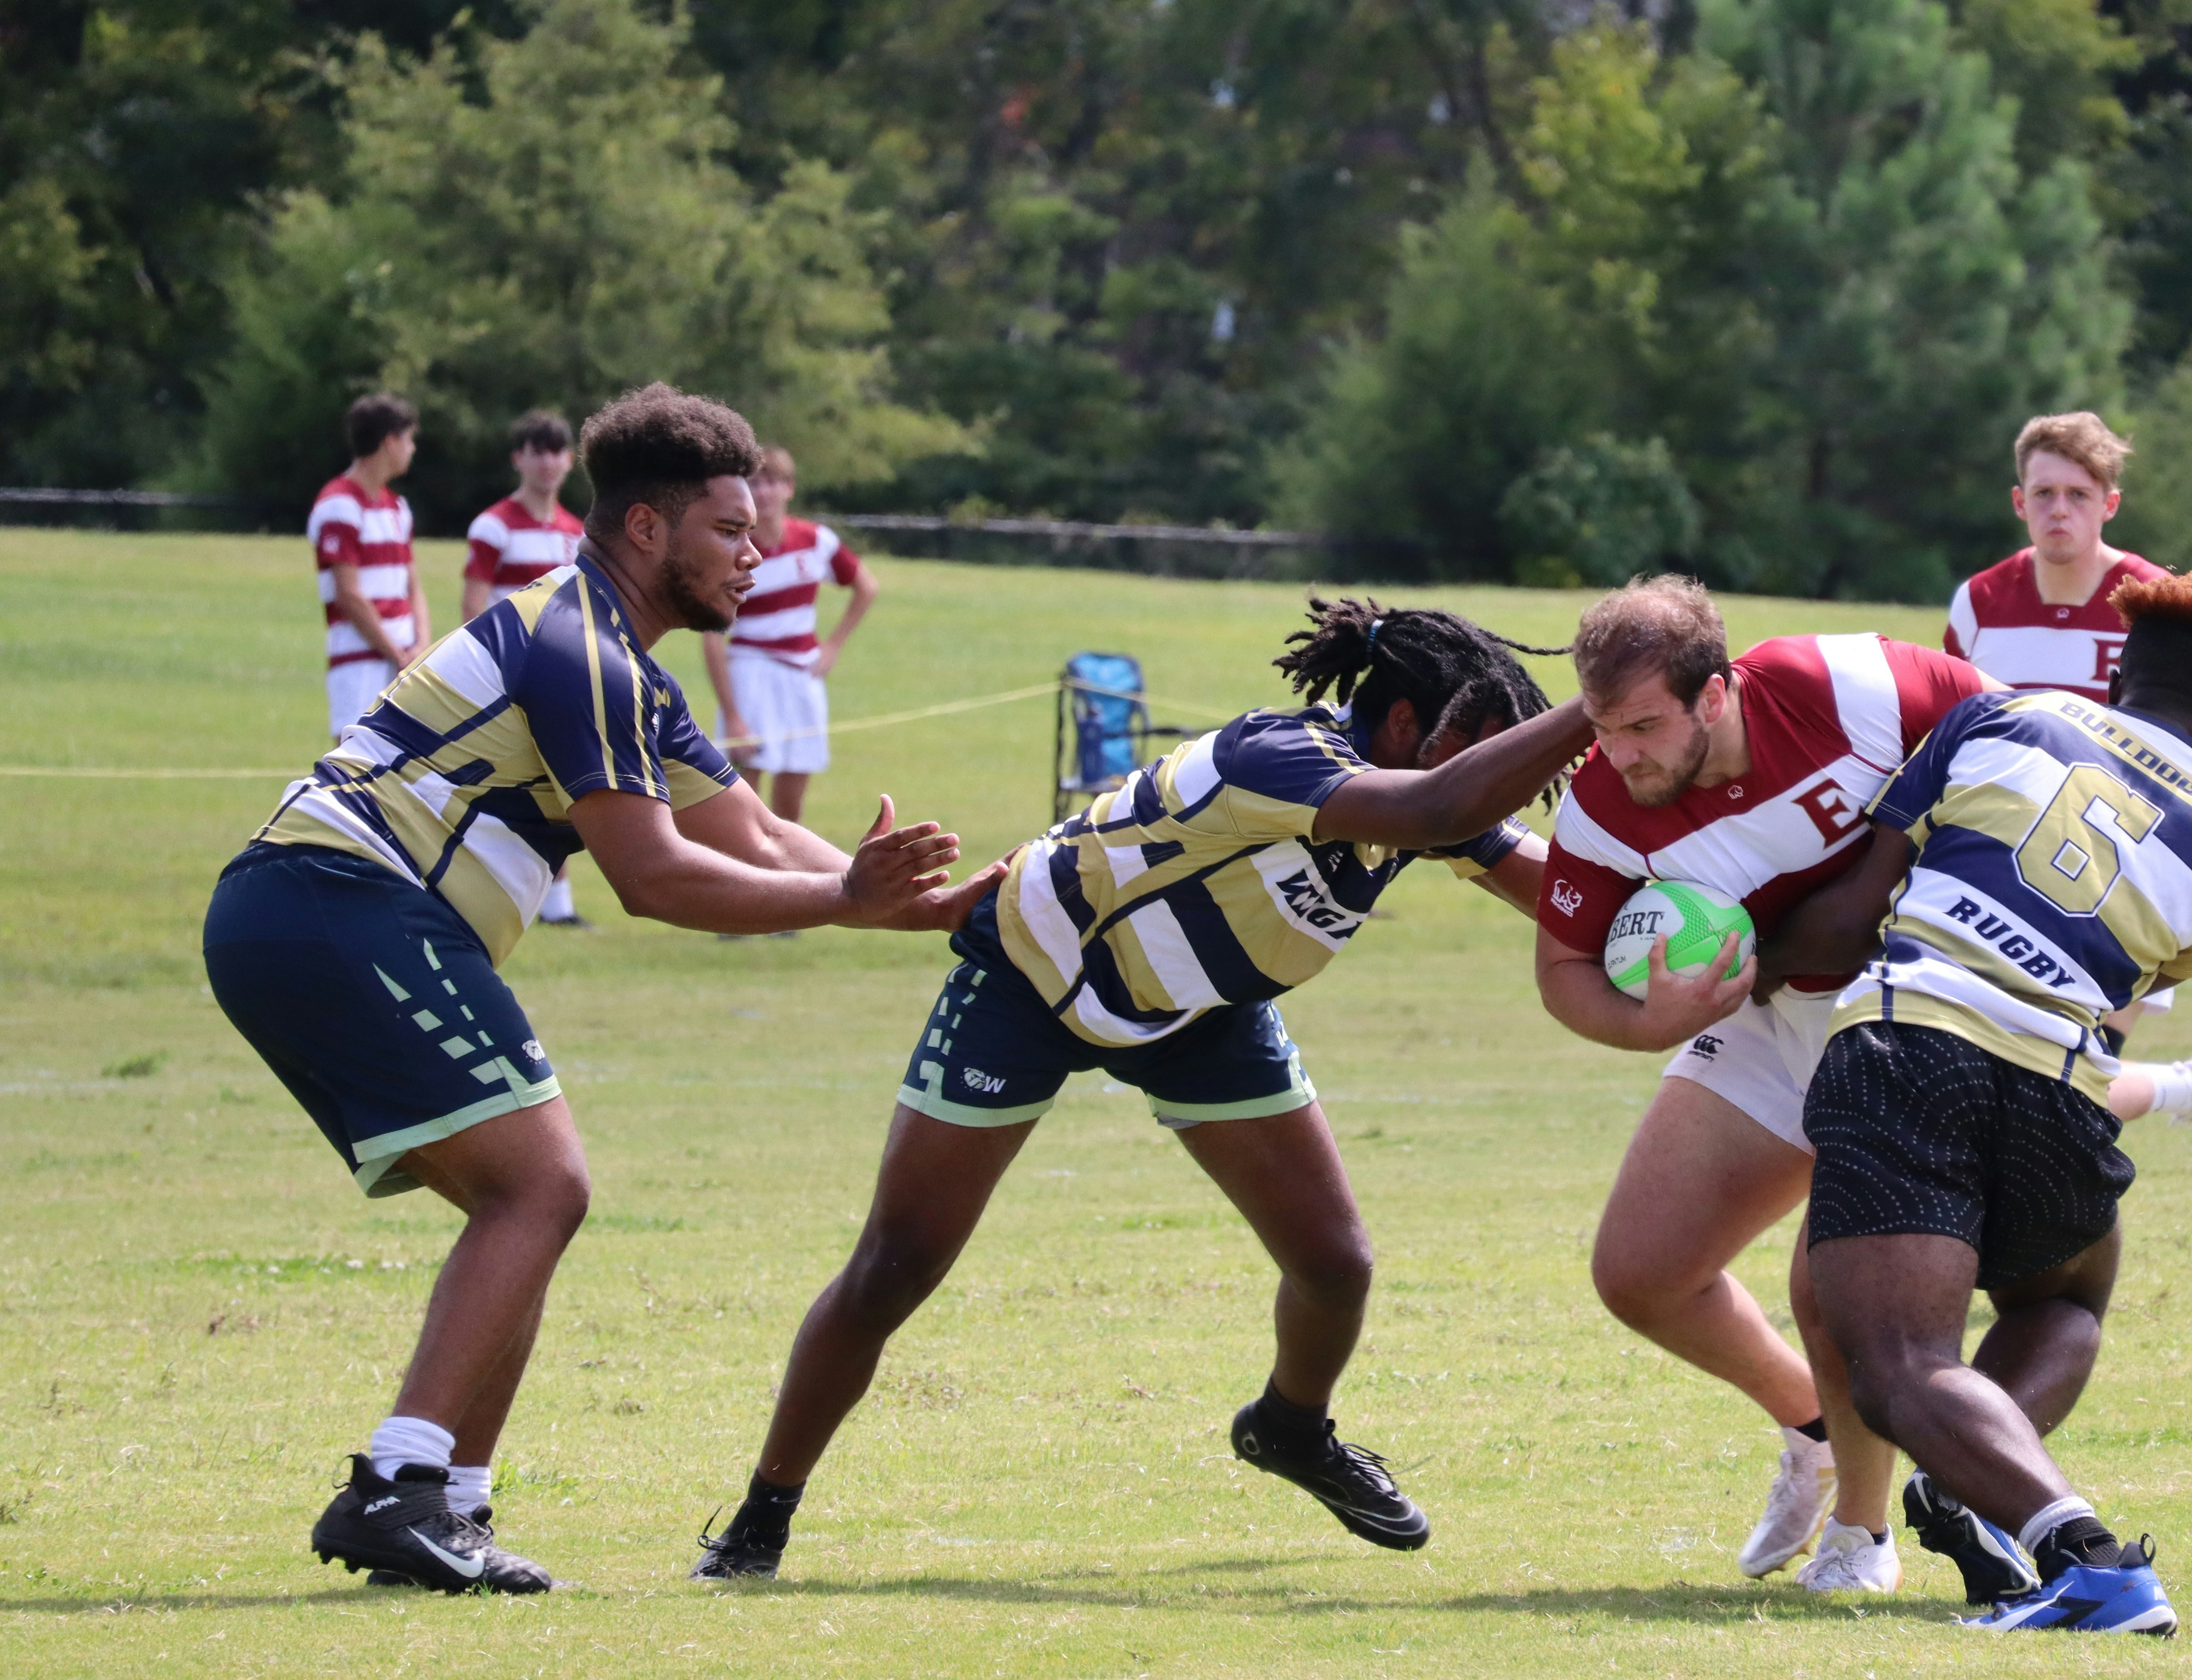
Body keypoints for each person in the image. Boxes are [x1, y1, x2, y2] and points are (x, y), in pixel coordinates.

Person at [203, 383, 977, 1596]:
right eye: (730, 528)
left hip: (324, 912)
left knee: (528, 1195)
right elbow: (655, 876)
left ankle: (447, 1504)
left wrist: (944, 911)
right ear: (648, 530)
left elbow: (766, 841)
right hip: (333, 900)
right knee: (542, 1183)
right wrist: (850, 903)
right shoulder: (577, 647)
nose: (757, 550)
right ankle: (397, 1488)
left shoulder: (630, 671)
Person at [690, 600, 1597, 1580]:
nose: (1493, 784)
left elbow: (1536, 874)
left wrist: (1681, 923)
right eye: (1481, 750)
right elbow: (1443, 809)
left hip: (1200, 1016)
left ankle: (1289, 1427)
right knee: (897, 1261)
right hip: (1031, 975)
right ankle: (758, 1519)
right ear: (1411, 723)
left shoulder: (1421, 799)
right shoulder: (1285, 759)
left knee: (1336, 1265)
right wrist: (1604, 697)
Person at [1756, 573, 2192, 1634]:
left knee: (1901, 1369)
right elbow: (2129, 975)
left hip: (1912, 1044)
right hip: (2064, 1086)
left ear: (2115, 672)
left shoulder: (2000, 716)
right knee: (2064, 1305)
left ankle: (2090, 1561)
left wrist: (1735, 967)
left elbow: (1855, 914)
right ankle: (1965, 1482)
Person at [1534, 576, 1994, 1594]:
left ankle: (1863, 1537)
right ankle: (1814, 1425)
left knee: (1830, 1285)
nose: (1624, 753)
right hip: (1771, 1016)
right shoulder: (1608, 802)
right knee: (1642, 1270)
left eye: (1645, 725)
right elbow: (1561, 969)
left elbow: (2003, 725)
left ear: (1715, 692)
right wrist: (1644, 1021)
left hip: (1906, 1016)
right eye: (1605, 728)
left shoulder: (1846, 684)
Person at [1945, 414, 2192, 807]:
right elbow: (1947, 728)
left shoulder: (2159, 603)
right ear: (2020, 502)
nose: (2060, 510)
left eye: (2079, 494)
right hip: (1993, 839)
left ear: (2110, 504)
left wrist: (2178, 841)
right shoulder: (1978, 601)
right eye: (2044, 493)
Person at [701, 446, 876, 824]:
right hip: (751, 672)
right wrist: (732, 714)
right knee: (743, 794)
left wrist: (832, 647)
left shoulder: (815, 540)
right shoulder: (733, 551)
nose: (763, 492)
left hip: (802, 673)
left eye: (772, 483)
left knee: (793, 792)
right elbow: (712, 637)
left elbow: (866, 586)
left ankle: (791, 879)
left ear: (789, 489)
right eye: (756, 484)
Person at [463, 410, 590, 928]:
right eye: (538, 451)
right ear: (519, 458)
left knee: (557, 782)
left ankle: (556, 906)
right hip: (508, 674)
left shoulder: (575, 532)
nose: (549, 462)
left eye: (558, 451)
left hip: (559, 676)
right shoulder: (494, 526)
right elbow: (474, 604)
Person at [311, 393, 430, 741]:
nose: (412, 449)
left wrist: (421, 647)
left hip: (404, 661)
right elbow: (349, 595)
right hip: (361, 659)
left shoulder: (397, 507)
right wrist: (396, 652)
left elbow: (413, 587)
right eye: (409, 440)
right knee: (356, 765)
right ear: (390, 442)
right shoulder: (339, 504)